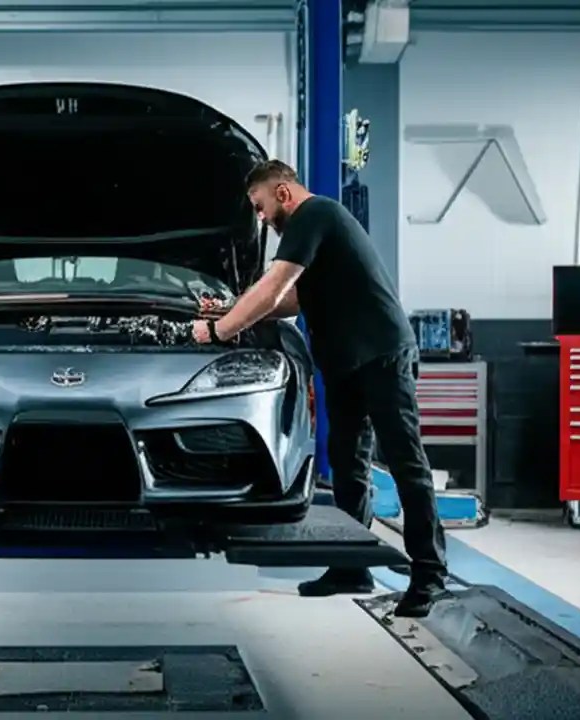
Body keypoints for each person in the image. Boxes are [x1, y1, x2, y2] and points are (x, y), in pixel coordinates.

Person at [191, 159, 447, 618]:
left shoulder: (315, 215)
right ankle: (350, 567)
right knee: (349, 466)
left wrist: (218, 331)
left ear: (283, 193)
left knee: (407, 464)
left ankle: (429, 576)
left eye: (261, 206)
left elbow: (273, 289)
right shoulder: (312, 228)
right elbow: (291, 300)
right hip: (348, 363)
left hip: (382, 355)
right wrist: (228, 309)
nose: (261, 218)